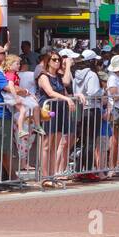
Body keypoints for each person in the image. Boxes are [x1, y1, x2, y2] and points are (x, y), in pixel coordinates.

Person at [0, 45, 30, 190]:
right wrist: (26, 91)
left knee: (4, 148)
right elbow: (11, 88)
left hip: (1, 113)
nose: (5, 55)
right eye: (3, 53)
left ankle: (10, 177)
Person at [36, 51, 79, 188]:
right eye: (54, 59)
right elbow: (50, 92)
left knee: (56, 143)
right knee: (47, 144)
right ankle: (44, 176)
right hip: (49, 109)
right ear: (48, 61)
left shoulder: (58, 76)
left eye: (59, 59)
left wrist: (67, 67)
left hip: (60, 109)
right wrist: (66, 99)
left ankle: (52, 175)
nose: (57, 62)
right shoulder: (43, 76)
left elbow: (66, 83)